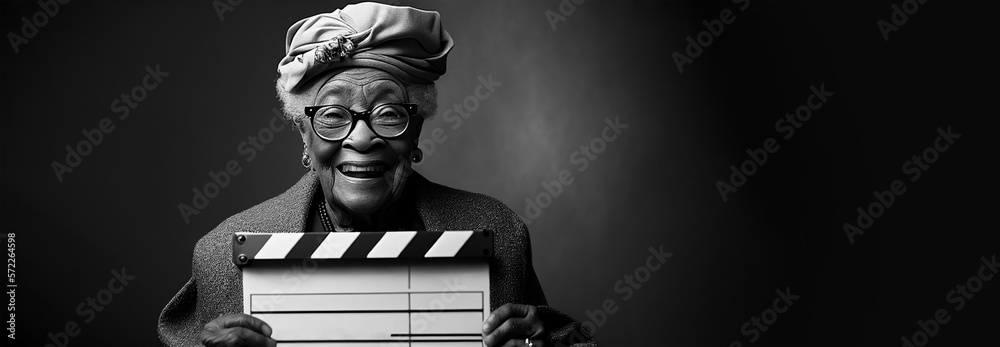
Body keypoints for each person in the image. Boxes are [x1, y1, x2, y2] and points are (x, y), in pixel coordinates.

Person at [157, 2, 597, 347]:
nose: (363, 139)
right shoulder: (220, 256)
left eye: (388, 114)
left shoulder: (500, 235)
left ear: (417, 129)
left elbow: (564, 340)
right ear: (305, 136)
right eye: (332, 115)